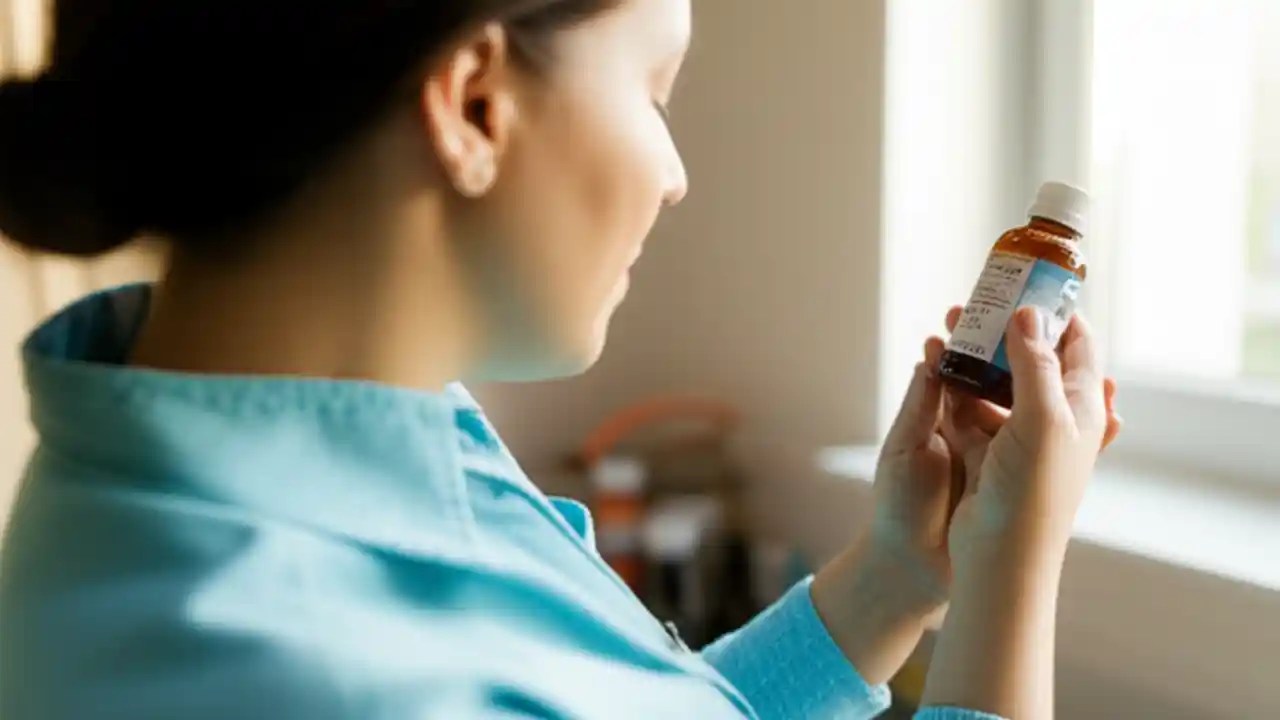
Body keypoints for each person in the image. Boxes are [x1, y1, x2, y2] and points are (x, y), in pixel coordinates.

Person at [0, 1, 1121, 718]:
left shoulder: (237, 466)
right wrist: (1010, 581)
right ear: (476, 100)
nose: (675, 175)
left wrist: (896, 576)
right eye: (653, 89)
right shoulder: (305, 674)